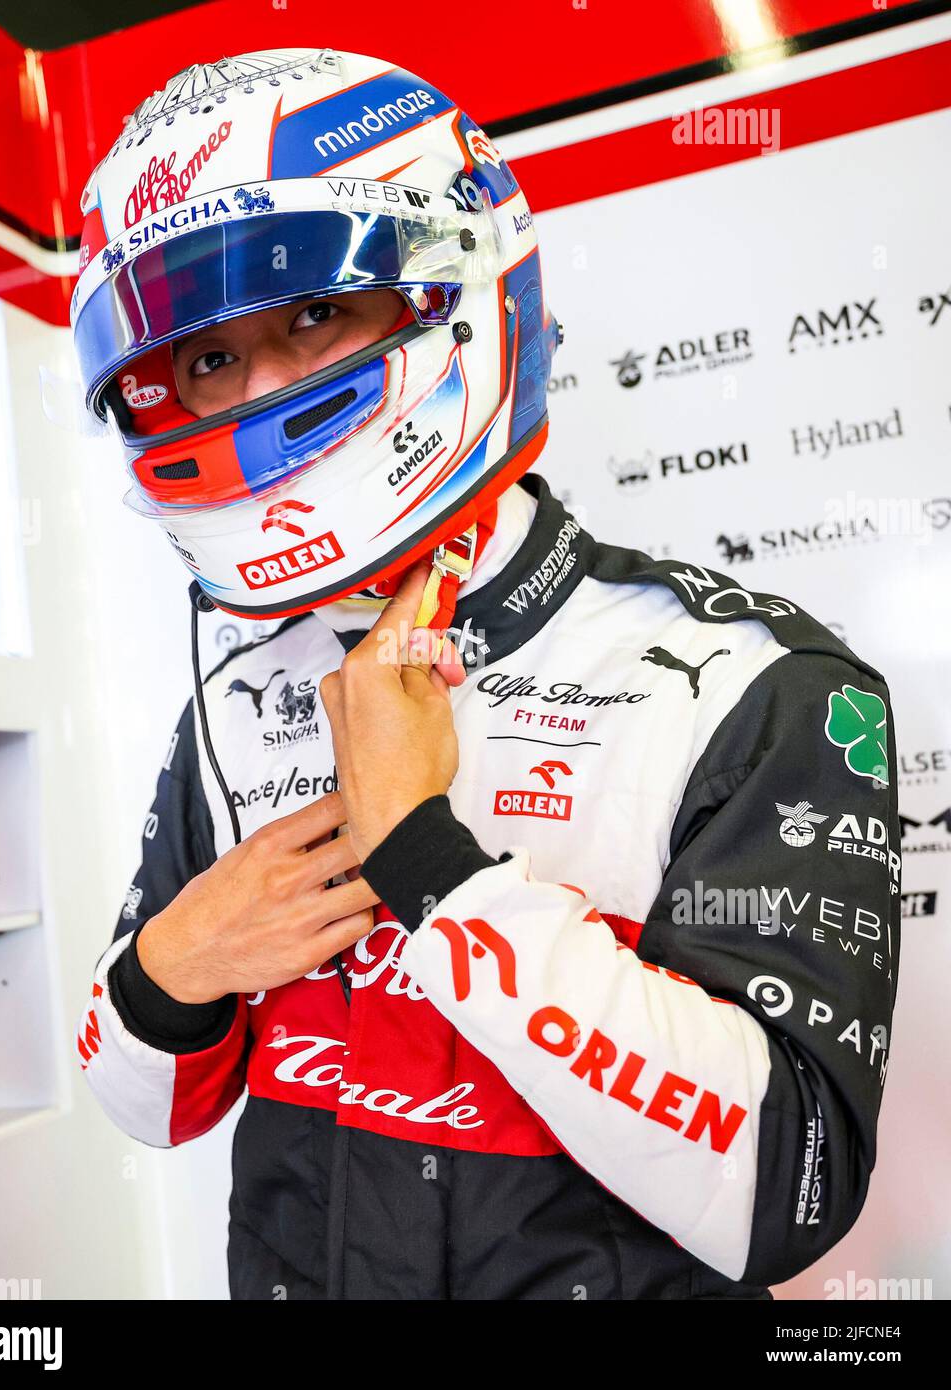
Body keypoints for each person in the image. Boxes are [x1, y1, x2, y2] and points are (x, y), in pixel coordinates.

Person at [73, 47, 900, 1300]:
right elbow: (142, 1108)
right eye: (204, 360)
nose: (252, 396)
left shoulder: (748, 679)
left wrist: (431, 862)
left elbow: (788, 1184)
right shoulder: (233, 701)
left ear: (454, 293)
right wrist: (165, 971)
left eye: (309, 314)